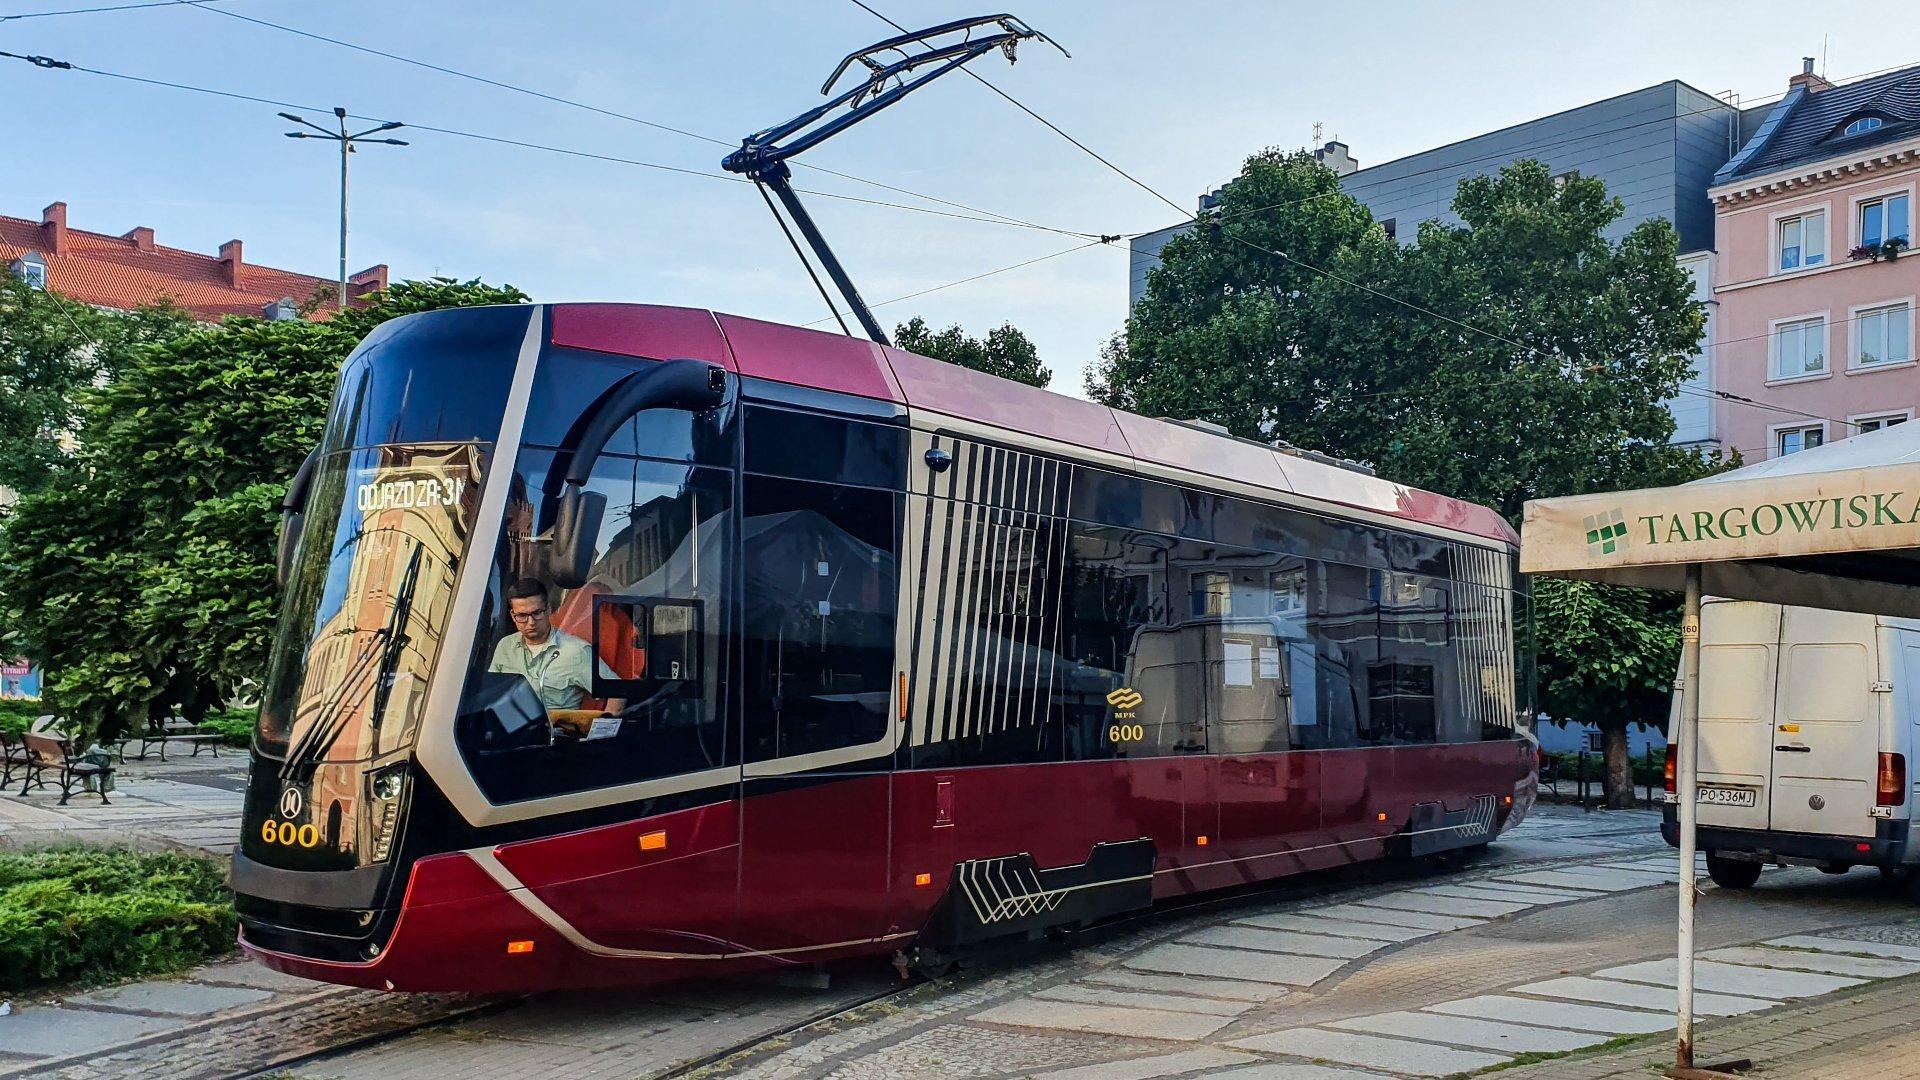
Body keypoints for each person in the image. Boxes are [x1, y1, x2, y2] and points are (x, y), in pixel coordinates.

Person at [490, 579, 626, 723]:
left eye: (537, 613)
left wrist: (602, 730)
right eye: (522, 616)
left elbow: (617, 691)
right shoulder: (505, 646)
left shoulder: (575, 651)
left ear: (548, 609)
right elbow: (491, 691)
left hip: (553, 739)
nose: (531, 622)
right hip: (506, 733)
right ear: (513, 615)